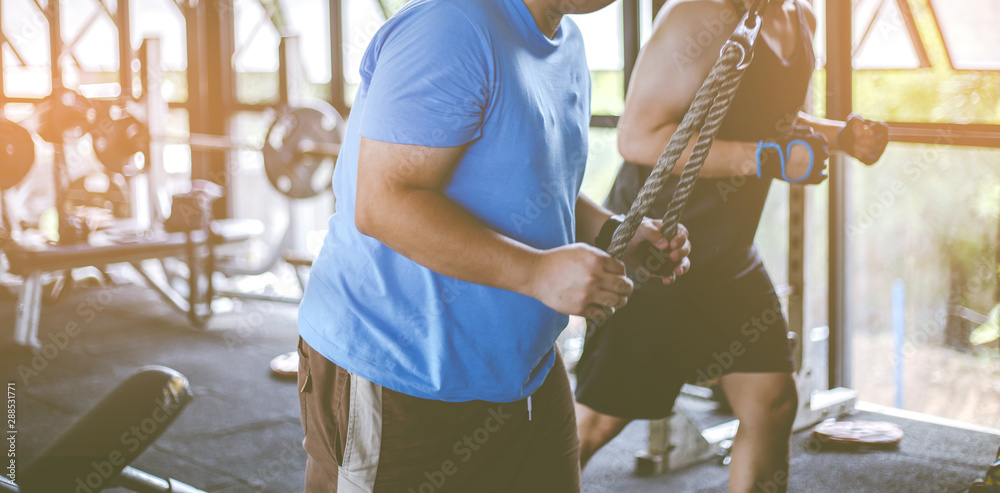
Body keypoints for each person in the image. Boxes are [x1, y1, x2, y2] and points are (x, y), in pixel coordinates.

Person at [295, 0, 693, 489]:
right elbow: (384, 204)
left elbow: (536, 180)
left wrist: (615, 233)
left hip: (524, 371)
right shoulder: (452, 26)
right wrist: (539, 273)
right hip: (400, 368)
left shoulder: (565, 41)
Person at [573, 0, 888, 492]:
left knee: (772, 401)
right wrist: (762, 159)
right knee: (597, 422)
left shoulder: (801, 18)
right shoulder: (697, 16)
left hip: (727, 254)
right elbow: (638, 137)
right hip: (656, 250)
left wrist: (841, 136)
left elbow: (776, 119)